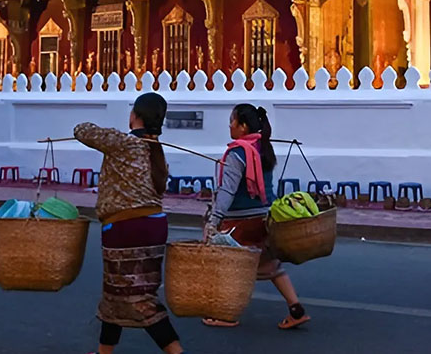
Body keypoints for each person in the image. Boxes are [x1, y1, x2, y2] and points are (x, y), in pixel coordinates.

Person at [72, 93, 185, 354]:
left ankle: (176, 351)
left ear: (135, 115)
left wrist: (115, 133)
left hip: (126, 228)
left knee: (139, 300)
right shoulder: (156, 151)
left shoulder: (123, 143)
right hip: (153, 225)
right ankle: (104, 352)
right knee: (117, 294)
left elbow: (81, 130)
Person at [203, 103, 309, 330]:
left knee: (232, 266)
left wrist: (214, 219)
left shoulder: (237, 152)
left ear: (242, 126)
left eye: (232, 121)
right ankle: (296, 309)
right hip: (265, 218)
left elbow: (228, 190)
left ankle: (227, 314)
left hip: (240, 222)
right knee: (272, 266)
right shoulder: (262, 148)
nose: (229, 125)